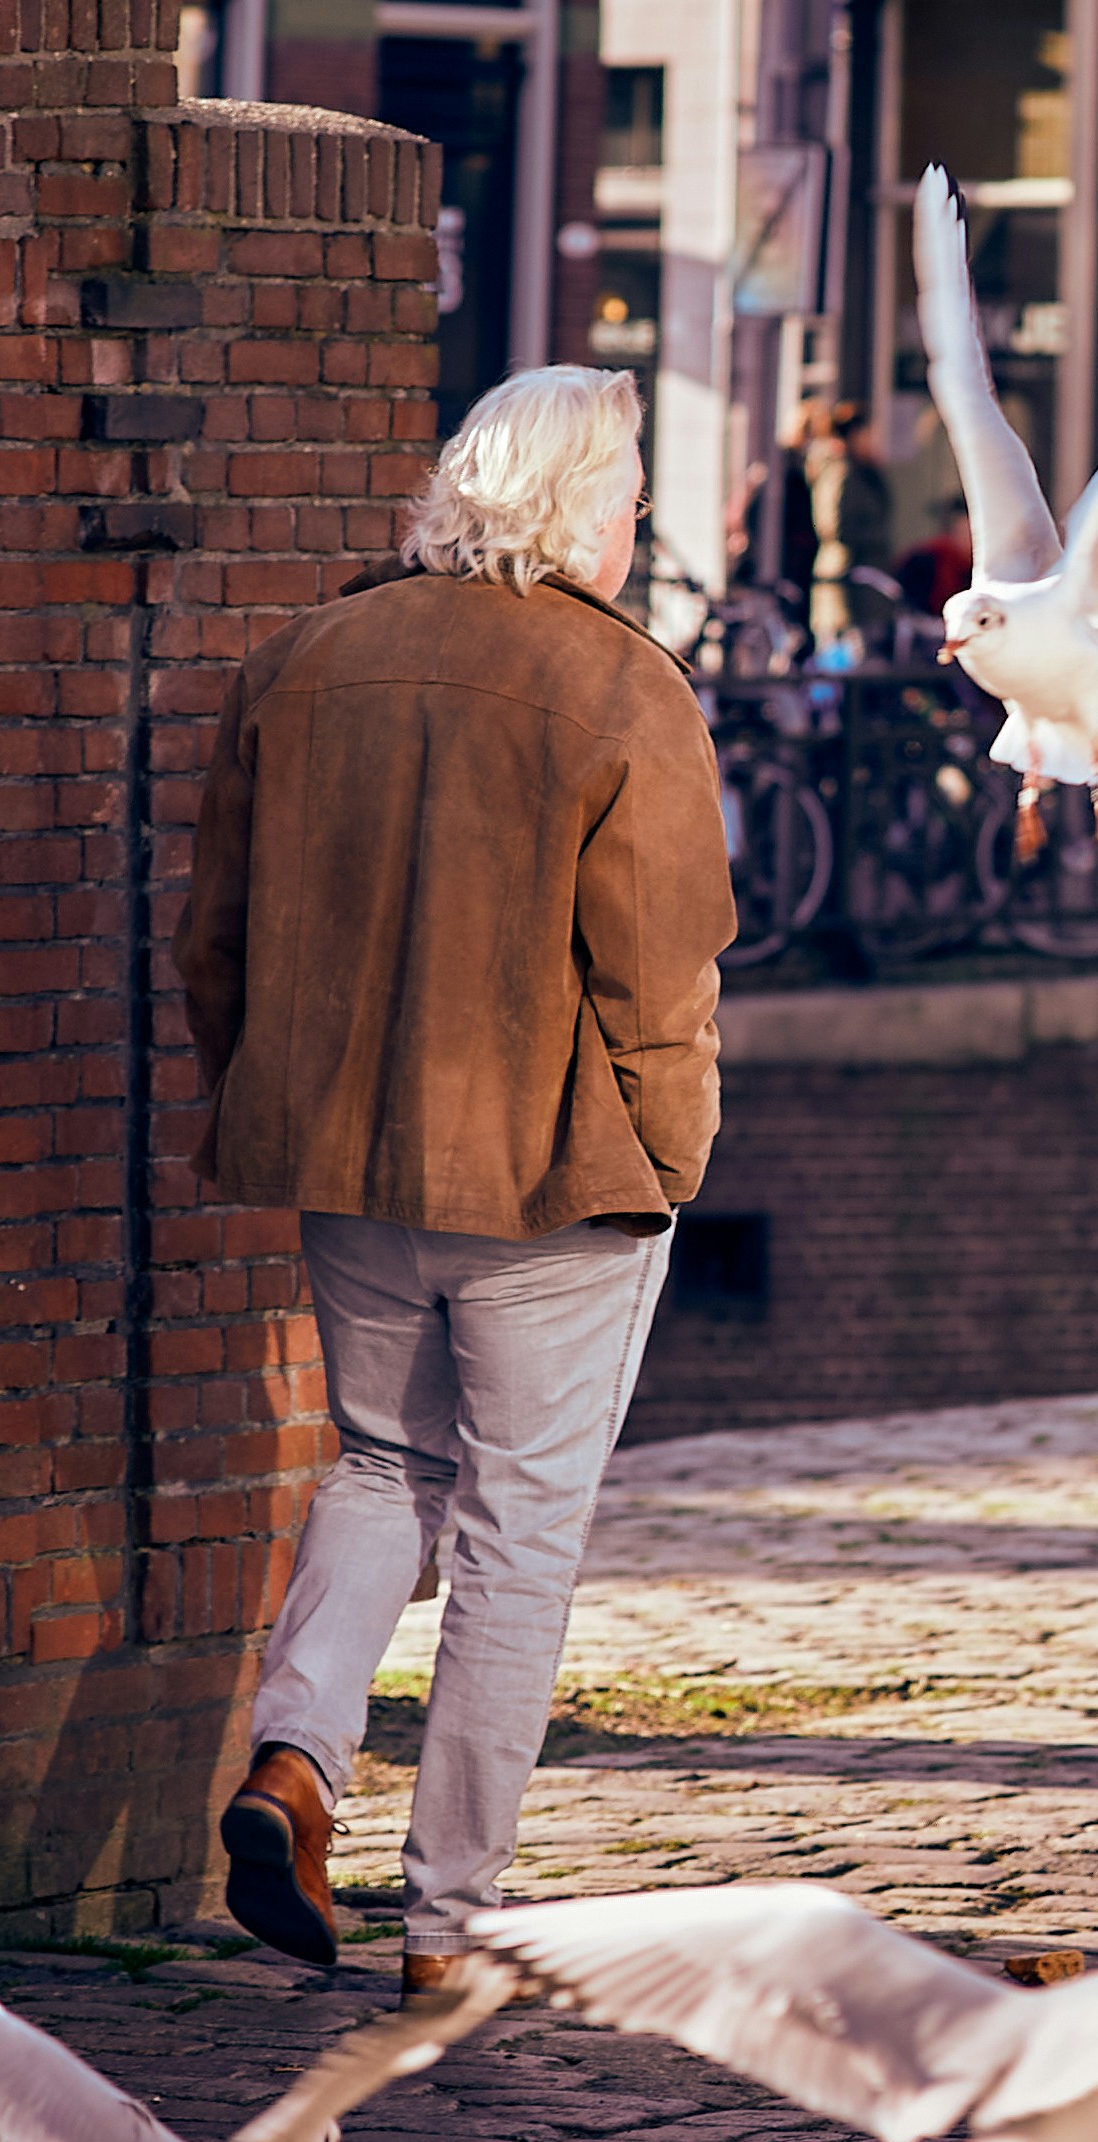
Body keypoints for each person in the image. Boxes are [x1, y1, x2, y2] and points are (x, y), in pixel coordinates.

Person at [176, 367, 739, 1996]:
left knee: (373, 1465)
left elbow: (215, 942)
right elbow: (661, 974)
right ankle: (450, 1919)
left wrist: (271, 1090)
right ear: (576, 507)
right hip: (560, 1171)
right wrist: (675, 1150)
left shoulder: (303, 661)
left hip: (351, 1154)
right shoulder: (626, 690)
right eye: (630, 493)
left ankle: (294, 1758)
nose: (642, 522)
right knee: (518, 1529)